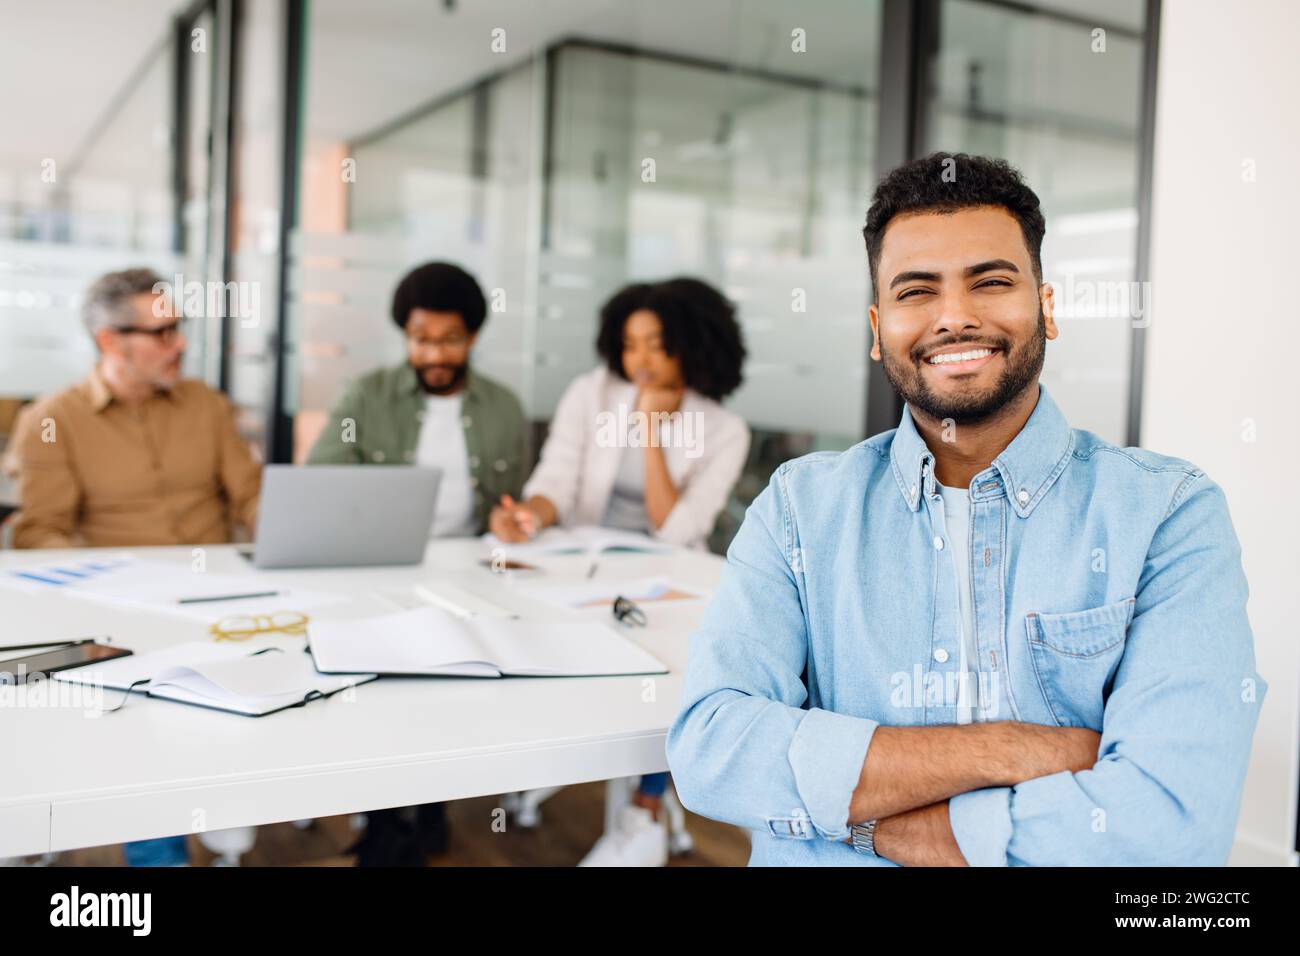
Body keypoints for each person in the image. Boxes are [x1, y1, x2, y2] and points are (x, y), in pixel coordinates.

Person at [667, 153, 1266, 866]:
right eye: (916, 292)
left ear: (1046, 306)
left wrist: (862, 822)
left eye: (991, 281)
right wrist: (1012, 749)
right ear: (877, 325)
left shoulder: (1166, 512)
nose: (954, 317)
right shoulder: (800, 509)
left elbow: (1168, 824)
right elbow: (711, 751)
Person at [8, 266, 262, 866]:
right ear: (108, 341)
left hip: (220, 603)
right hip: (119, 616)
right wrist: (105, 584)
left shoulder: (207, 406)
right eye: (163, 331)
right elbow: (40, 531)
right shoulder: (54, 421)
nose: (180, 343)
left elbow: (250, 497)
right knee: (150, 712)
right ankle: (160, 853)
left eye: (181, 326)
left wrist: (291, 531)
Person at [492, 277, 750, 866]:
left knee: (682, 669)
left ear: (694, 345)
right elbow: (555, 478)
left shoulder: (723, 429)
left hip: (668, 575)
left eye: (658, 345)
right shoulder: (591, 394)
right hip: (577, 564)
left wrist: (653, 434)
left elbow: (674, 531)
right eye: (631, 344)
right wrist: (529, 514)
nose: (641, 361)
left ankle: (643, 811)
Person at [306, 260, 527, 865]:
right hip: (379, 568)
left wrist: (515, 521)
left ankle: (430, 806)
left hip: (470, 572)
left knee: (453, 686)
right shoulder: (367, 394)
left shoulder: (505, 408)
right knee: (379, 687)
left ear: (473, 337)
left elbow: (517, 505)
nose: (433, 351)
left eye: (448, 339)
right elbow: (320, 483)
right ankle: (381, 817)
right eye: (420, 338)